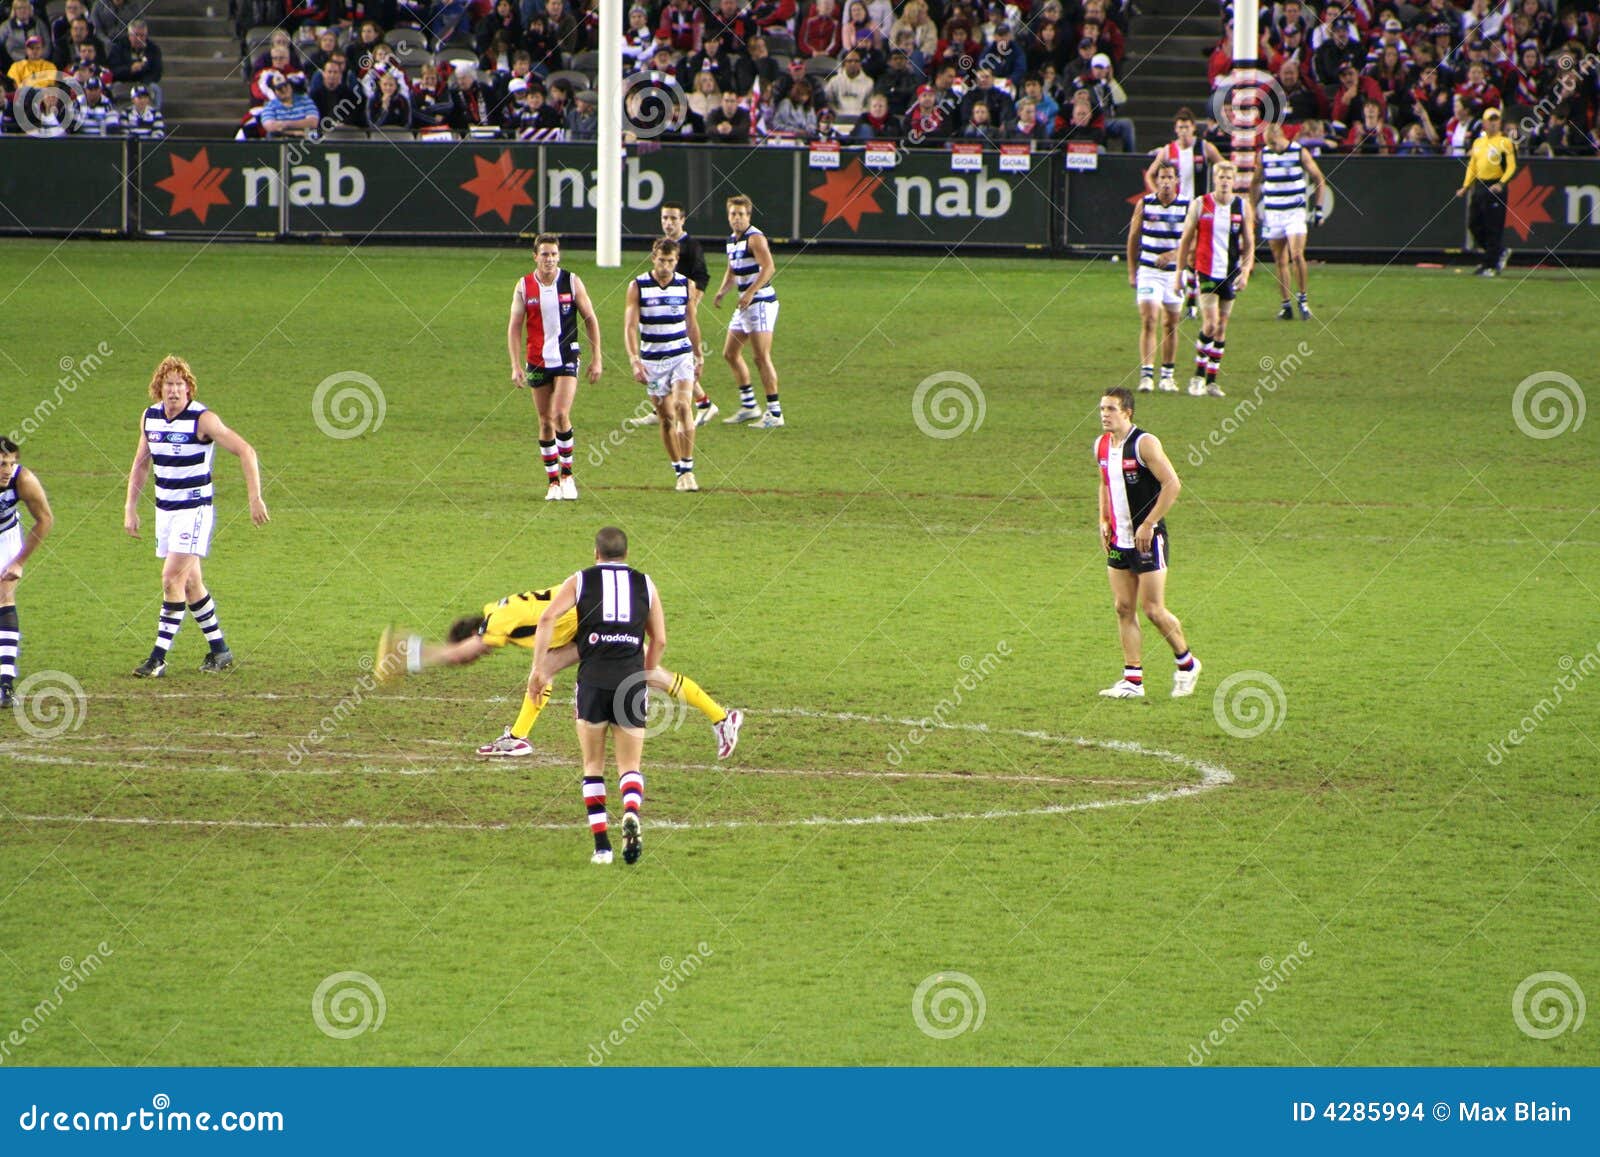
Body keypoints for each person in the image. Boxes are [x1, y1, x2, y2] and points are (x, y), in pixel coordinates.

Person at [374, 587, 741, 760]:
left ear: (476, 632)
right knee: (551, 668)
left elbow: (459, 654)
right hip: (595, 612)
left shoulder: (498, 623)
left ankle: (723, 718)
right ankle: (722, 718)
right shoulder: (498, 608)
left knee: (647, 674)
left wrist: (407, 655)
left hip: (596, 622)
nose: (480, 656)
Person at [124, 356, 269, 678]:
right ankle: (220, 651)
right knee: (191, 584)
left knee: (170, 579)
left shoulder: (203, 420)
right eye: (168, 384)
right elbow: (140, 463)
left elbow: (246, 450)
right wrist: (130, 506)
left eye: (180, 384)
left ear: (189, 388)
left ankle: (157, 658)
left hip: (194, 511)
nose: (174, 390)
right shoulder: (150, 418)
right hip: (165, 511)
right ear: (158, 388)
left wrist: (254, 497)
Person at [530, 527, 666, 866]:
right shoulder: (646, 584)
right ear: (626, 553)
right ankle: (631, 811)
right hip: (630, 681)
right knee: (629, 766)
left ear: (596, 553)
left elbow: (547, 617)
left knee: (593, 765)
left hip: (592, 682)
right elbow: (660, 640)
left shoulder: (581, 580)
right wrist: (646, 675)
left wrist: (538, 668)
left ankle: (602, 847)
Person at [1094, 388, 1201, 701]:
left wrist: (1149, 523)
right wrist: (1102, 519)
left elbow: (1172, 484)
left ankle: (1187, 664)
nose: (1104, 414)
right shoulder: (1100, 445)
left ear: (1127, 412)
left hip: (1148, 538)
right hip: (1118, 539)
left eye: (1111, 409)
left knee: (1153, 609)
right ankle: (1133, 680)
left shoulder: (1144, 443)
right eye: (1102, 408)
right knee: (1123, 607)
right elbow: (1103, 482)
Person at [507, 235, 603, 501]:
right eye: (544, 254)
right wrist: (516, 365)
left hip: (567, 355)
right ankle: (552, 483)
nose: (549, 259)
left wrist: (597, 358)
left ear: (559, 256)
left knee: (560, 414)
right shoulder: (524, 286)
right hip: (537, 359)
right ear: (535, 256)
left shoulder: (571, 281)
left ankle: (568, 475)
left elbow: (590, 319)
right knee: (545, 420)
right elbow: (515, 327)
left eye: (553, 254)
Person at [626, 203, 721, 431]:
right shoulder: (663, 247)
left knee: (679, 362)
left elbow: (702, 276)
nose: (668, 222)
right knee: (667, 362)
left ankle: (701, 405)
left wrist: (692, 304)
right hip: (660, 308)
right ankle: (676, 407)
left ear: (682, 220)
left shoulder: (691, 246)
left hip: (678, 311)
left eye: (673, 218)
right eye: (664, 218)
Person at [625, 238, 706, 491]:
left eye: (671, 261)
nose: (666, 266)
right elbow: (629, 326)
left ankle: (689, 469)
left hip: (680, 355)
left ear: (677, 261)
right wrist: (634, 360)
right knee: (666, 418)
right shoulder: (638, 286)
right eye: (662, 260)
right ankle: (678, 469)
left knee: (683, 405)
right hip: (653, 360)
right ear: (653, 258)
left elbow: (691, 322)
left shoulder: (685, 285)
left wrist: (698, 354)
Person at [1175, 160, 1255, 399]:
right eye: (1220, 177)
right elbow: (1186, 240)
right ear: (1214, 179)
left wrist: (1246, 270)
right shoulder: (1200, 204)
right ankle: (1197, 377)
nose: (1224, 181)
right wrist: (1179, 273)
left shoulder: (1242, 206)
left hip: (1229, 273)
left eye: (1228, 178)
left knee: (1221, 329)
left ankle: (1212, 381)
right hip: (1206, 270)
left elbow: (1249, 243)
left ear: (1234, 181)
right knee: (1210, 324)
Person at [1145, 108, 1224, 319]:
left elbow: (1223, 166)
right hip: (1177, 208)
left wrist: (1219, 191)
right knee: (1186, 253)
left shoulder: (1204, 147)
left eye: (1186, 127)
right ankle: (1189, 300)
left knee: (1195, 253)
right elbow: (1151, 174)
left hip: (1199, 207)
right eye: (1180, 127)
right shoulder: (1168, 150)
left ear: (1193, 128)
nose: (1183, 131)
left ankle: (1191, 302)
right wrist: (1159, 193)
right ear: (1175, 129)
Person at [715, 195, 783, 428]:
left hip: (760, 302)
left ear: (749, 216)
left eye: (741, 214)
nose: (737, 218)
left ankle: (774, 413)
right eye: (733, 214)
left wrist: (751, 292)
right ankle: (749, 405)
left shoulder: (755, 238)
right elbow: (732, 270)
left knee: (761, 357)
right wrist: (722, 291)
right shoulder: (731, 241)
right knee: (730, 353)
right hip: (744, 304)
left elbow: (769, 267)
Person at [0, 438, 53, 708]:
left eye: (11, 463)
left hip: (5, 536)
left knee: (3, 597)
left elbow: (44, 519)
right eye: (1, 464)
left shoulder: (23, 480)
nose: (7, 470)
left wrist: (19, 561)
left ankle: (5, 682)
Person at [1126, 160, 1187, 395]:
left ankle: (1168, 375)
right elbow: (1133, 238)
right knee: (1149, 318)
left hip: (1174, 275)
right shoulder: (1145, 204)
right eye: (1161, 177)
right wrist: (1132, 271)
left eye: (1169, 177)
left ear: (1176, 181)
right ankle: (1147, 374)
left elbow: (1191, 243)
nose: (1165, 182)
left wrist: (1173, 255)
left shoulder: (1185, 206)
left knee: (1171, 324)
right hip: (1149, 271)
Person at [1257, 120, 1327, 320]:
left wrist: (1319, 208)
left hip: (1295, 212)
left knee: (1297, 254)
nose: (1270, 147)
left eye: (1272, 143)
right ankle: (1285, 305)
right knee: (1280, 260)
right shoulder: (1264, 155)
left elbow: (1319, 179)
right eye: (1267, 144)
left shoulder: (1299, 152)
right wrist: (1252, 208)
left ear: (1280, 136)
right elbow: (1255, 182)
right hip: (1273, 213)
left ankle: (1303, 300)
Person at [1455, 105, 1516, 276]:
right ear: (1484, 123)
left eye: (1496, 121)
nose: (1494, 124)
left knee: (1493, 227)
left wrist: (1502, 183)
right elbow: (1472, 167)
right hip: (1480, 185)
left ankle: (1490, 264)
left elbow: (1511, 166)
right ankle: (1497, 253)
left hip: (1495, 184)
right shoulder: (1478, 143)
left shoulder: (1505, 142)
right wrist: (1466, 186)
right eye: (1491, 121)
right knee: (1474, 224)